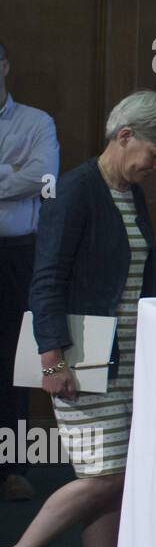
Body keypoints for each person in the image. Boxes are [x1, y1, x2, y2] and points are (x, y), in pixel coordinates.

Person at [0, 89, 156, 547]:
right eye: (155, 152)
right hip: (81, 356)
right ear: (124, 135)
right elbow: (47, 278)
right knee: (104, 477)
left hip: (125, 358)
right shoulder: (75, 188)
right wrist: (53, 359)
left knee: (111, 477)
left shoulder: (129, 192)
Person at [0, 42, 60, 503]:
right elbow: (24, 178)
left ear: (4, 66)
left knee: (13, 359)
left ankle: (11, 469)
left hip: (17, 254)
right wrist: (11, 173)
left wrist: (26, 174)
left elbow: (44, 179)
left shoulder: (36, 122)